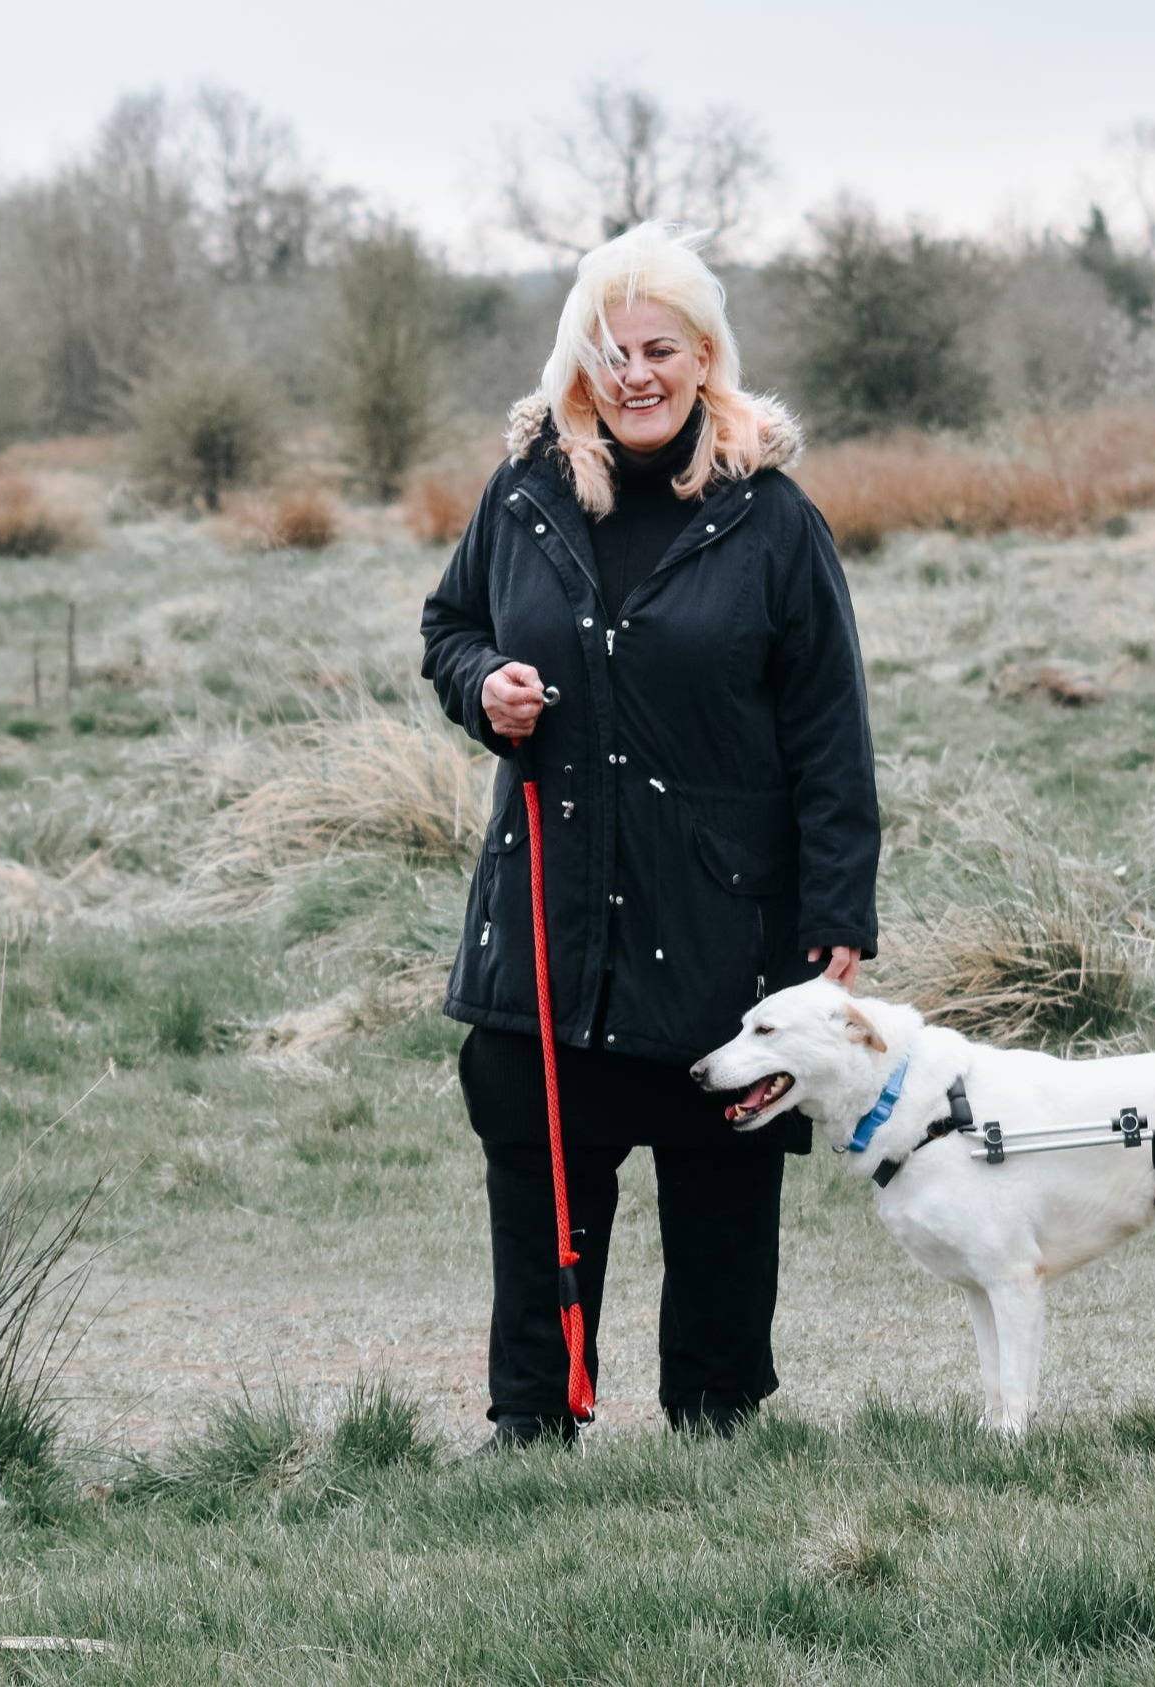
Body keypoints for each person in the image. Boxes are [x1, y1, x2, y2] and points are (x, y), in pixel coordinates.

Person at [420, 221, 879, 1445]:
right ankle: (532, 1422)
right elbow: (450, 624)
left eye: (661, 348)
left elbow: (831, 733)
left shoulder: (774, 521)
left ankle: (716, 1424)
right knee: (540, 1175)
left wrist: (838, 912)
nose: (636, 373)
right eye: (611, 349)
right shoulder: (520, 497)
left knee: (722, 1183)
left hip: (724, 920)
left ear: (705, 359)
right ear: (578, 359)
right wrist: (484, 687)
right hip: (546, 917)